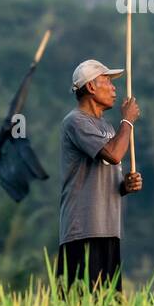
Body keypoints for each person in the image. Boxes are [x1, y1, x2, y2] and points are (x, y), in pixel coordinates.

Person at [56, 59, 143, 293]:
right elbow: (114, 155)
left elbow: (106, 174)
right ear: (91, 88)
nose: (114, 88)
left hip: (109, 228)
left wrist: (125, 186)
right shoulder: (75, 121)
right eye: (107, 81)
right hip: (83, 230)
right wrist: (127, 121)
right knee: (79, 305)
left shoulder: (106, 127)